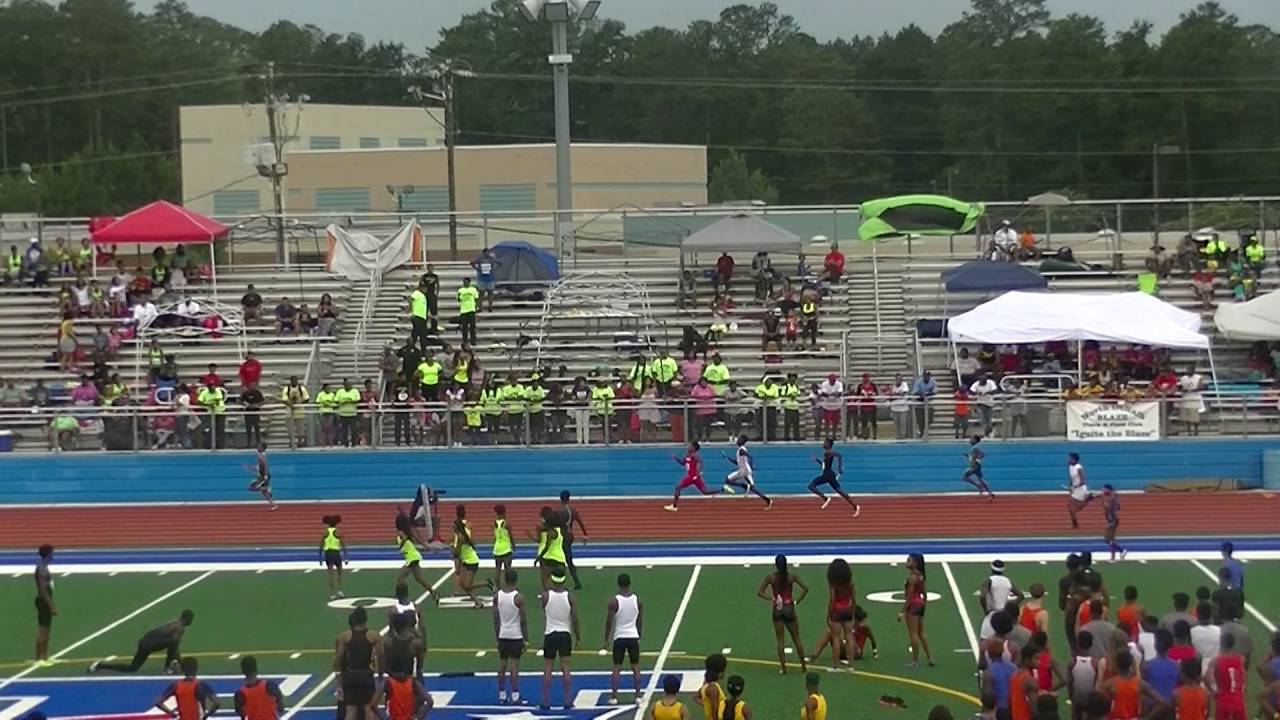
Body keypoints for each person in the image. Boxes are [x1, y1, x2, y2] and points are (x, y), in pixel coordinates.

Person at [90, 610, 195, 673]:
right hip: (149, 644)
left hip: (146, 641)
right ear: (188, 619)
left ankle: (101, 665)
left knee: (132, 668)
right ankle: (167, 669)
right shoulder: (179, 628)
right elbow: (174, 648)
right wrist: (180, 662)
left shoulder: (174, 622)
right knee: (174, 644)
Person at [756, 554, 809, 674]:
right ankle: (803, 666)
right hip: (789, 607)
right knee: (796, 639)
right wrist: (797, 601)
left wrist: (772, 598)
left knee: (780, 640)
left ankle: (783, 668)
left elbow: (760, 592)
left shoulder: (771, 577)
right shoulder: (791, 576)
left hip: (777, 609)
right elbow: (805, 588)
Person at [539, 571, 580, 711]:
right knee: (566, 668)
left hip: (550, 633)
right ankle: (567, 700)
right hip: (565, 633)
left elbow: (545, 612)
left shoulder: (545, 596)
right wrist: (578, 637)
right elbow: (574, 619)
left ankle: (545, 701)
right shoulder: (569, 597)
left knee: (548, 669)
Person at [335, 607, 383, 720]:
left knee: (351, 709)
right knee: (368, 708)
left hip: (351, 675)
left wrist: (339, 680)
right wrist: (381, 672)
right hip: (366, 675)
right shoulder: (373, 636)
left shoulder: (344, 637)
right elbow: (381, 656)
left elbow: (338, 660)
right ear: (366, 619)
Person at [604, 573, 644, 705]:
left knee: (617, 667)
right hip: (633, 636)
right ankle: (638, 695)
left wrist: (606, 638)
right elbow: (639, 620)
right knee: (636, 666)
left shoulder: (614, 601)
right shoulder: (637, 600)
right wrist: (639, 634)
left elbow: (609, 622)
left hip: (620, 636)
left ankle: (614, 696)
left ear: (618, 584)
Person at [493, 569, 528, 706]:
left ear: (505, 579)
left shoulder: (498, 596)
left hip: (503, 634)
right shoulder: (519, 598)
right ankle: (515, 696)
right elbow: (523, 620)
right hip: (515, 635)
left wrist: (497, 635)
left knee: (502, 666)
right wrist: (526, 639)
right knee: (514, 667)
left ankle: (502, 695)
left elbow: (495, 619)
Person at [807, 438, 860, 515]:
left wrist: (839, 468)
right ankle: (855, 506)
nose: (823, 444)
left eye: (825, 442)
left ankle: (825, 498)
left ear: (829, 444)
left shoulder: (828, 452)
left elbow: (839, 455)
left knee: (811, 486)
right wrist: (817, 460)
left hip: (827, 475)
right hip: (830, 475)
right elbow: (824, 465)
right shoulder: (826, 453)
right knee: (841, 492)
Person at [155, 656, 219, 720]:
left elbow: (158, 702)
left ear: (182, 669)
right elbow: (217, 703)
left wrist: (172, 714)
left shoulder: (175, 685)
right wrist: (206, 715)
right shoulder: (202, 685)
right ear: (196, 668)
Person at [452, 505, 491, 609]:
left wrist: (454, 552)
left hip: (471, 561)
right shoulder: (464, 535)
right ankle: (477, 602)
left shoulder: (460, 538)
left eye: (454, 527)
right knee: (463, 584)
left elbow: (457, 552)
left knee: (467, 585)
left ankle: (486, 584)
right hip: (466, 560)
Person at [665, 441, 721, 512]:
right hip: (694, 477)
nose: (688, 446)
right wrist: (676, 458)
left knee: (678, 487)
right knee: (705, 491)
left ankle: (674, 506)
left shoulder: (694, 455)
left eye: (690, 445)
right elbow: (682, 463)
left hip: (693, 476)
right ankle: (722, 489)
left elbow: (701, 462)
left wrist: (700, 471)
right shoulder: (687, 455)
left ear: (694, 448)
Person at [901, 552, 935, 667]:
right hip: (920, 604)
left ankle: (915, 661)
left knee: (913, 633)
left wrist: (902, 610)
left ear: (915, 563)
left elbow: (909, 596)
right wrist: (923, 604)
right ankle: (930, 657)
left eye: (909, 560)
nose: (907, 562)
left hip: (913, 605)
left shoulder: (912, 577)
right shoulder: (921, 575)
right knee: (921, 632)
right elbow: (924, 593)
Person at [722, 435, 773, 508]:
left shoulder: (741, 450)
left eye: (739, 439)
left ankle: (744, 486)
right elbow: (736, 462)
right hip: (745, 470)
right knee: (753, 488)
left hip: (744, 470)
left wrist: (752, 466)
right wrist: (727, 457)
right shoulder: (740, 450)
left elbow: (750, 457)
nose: (737, 440)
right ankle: (767, 500)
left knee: (727, 480)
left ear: (742, 441)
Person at [824, 558, 856, 670]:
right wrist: (853, 612)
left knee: (836, 638)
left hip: (837, 611)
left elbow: (832, 599)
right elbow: (853, 598)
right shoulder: (850, 583)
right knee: (849, 636)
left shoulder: (833, 584)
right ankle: (851, 664)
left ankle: (835, 665)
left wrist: (828, 615)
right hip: (847, 609)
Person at [553, 490, 588, 590]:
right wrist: (585, 534)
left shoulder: (558, 511)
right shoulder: (573, 511)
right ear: (569, 498)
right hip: (569, 536)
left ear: (560, 498)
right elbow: (580, 522)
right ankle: (576, 582)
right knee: (568, 559)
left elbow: (554, 525)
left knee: (560, 560)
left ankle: (562, 582)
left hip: (561, 537)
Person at [382, 612, 425, 687]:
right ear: (407, 625)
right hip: (408, 681)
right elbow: (419, 669)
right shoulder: (416, 643)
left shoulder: (388, 643)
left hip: (393, 682)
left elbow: (385, 667)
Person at [1209, 633, 1246, 720]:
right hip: (1238, 698)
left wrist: (1213, 691)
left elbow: (1207, 678)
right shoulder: (1241, 659)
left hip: (1223, 698)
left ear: (1221, 644)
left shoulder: (1216, 661)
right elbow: (1244, 677)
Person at [234, 656, 284, 720]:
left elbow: (242, 715)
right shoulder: (270, 685)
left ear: (243, 671)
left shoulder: (240, 694)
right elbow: (281, 708)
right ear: (256, 669)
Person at [34, 544, 55, 667]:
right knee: (43, 630)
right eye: (52, 553)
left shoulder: (45, 568)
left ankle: (45, 656)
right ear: (48, 554)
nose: (53, 556)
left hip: (46, 600)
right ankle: (38, 658)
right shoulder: (41, 569)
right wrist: (51, 605)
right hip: (43, 601)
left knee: (47, 630)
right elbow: (43, 590)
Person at [983, 640, 1018, 714]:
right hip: (1014, 708)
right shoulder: (1014, 668)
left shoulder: (988, 672)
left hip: (999, 710)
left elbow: (988, 697)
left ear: (989, 654)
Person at [320, 515, 347, 600]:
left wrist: (320, 558)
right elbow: (343, 544)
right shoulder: (338, 532)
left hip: (328, 554)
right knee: (339, 573)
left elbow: (321, 545)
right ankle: (340, 591)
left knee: (331, 575)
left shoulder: (325, 532)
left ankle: (332, 594)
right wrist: (346, 557)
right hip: (336, 553)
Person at [1066, 453, 1096, 529]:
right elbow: (1071, 479)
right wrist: (1070, 488)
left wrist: (1076, 486)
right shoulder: (1070, 467)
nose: (1068, 459)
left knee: (1075, 507)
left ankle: (1088, 499)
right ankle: (1075, 524)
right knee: (1070, 507)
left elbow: (1083, 481)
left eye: (1070, 458)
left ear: (1074, 460)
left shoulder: (1078, 467)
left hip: (1081, 489)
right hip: (1075, 489)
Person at [1010, 645, 1040, 720]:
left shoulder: (1015, 675)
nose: (1038, 662)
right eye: (1036, 659)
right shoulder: (1030, 680)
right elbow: (1034, 710)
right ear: (1027, 660)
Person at [963, 435, 996, 501]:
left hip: (975, 466)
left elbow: (982, 454)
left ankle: (979, 486)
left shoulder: (975, 448)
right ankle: (990, 493)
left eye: (971, 439)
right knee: (981, 480)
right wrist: (968, 456)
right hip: (976, 466)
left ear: (975, 440)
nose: (970, 440)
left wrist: (978, 460)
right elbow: (974, 457)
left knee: (965, 477)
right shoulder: (974, 448)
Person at [696, 653, 728, 720]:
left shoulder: (706, 685)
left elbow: (696, 697)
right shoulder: (713, 688)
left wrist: (707, 705)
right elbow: (715, 712)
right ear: (721, 673)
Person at [247, 442, 277, 511]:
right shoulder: (260, 455)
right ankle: (273, 504)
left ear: (263, 448)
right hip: (261, 475)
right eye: (257, 446)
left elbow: (266, 465)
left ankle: (267, 488)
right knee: (264, 492)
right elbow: (259, 467)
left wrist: (266, 475)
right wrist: (251, 468)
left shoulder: (261, 456)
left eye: (259, 446)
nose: (257, 447)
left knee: (252, 488)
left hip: (263, 476)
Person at [492, 504, 515, 591]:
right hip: (506, 548)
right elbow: (511, 536)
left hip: (497, 548)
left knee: (497, 569)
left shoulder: (494, 523)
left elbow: (495, 536)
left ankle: (497, 587)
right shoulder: (507, 523)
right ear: (504, 512)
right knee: (507, 569)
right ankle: (508, 586)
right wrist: (514, 545)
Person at [1101, 485, 1125, 561]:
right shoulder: (1110, 498)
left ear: (1108, 490)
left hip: (1113, 520)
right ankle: (1121, 551)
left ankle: (1114, 556)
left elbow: (1115, 509)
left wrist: (1111, 521)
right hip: (1110, 520)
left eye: (1104, 489)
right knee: (1108, 540)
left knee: (1109, 539)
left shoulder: (1112, 499)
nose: (1102, 490)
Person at [457, 278, 480, 345]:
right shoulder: (460, 290)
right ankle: (465, 341)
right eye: (464, 282)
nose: (465, 283)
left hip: (471, 309)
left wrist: (476, 307)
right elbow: (458, 299)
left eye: (466, 282)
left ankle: (473, 340)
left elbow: (476, 298)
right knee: (464, 327)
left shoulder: (473, 290)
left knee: (472, 326)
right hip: (463, 310)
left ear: (469, 282)